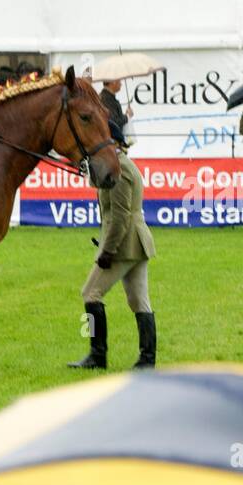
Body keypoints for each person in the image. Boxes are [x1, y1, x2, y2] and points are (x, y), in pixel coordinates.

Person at [68, 121, 157, 370]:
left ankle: (96, 354)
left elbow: (120, 217)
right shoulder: (118, 165)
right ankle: (147, 359)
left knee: (90, 293)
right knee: (139, 301)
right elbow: (99, 186)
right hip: (135, 243)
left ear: (115, 142)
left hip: (124, 244)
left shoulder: (121, 169)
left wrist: (107, 251)